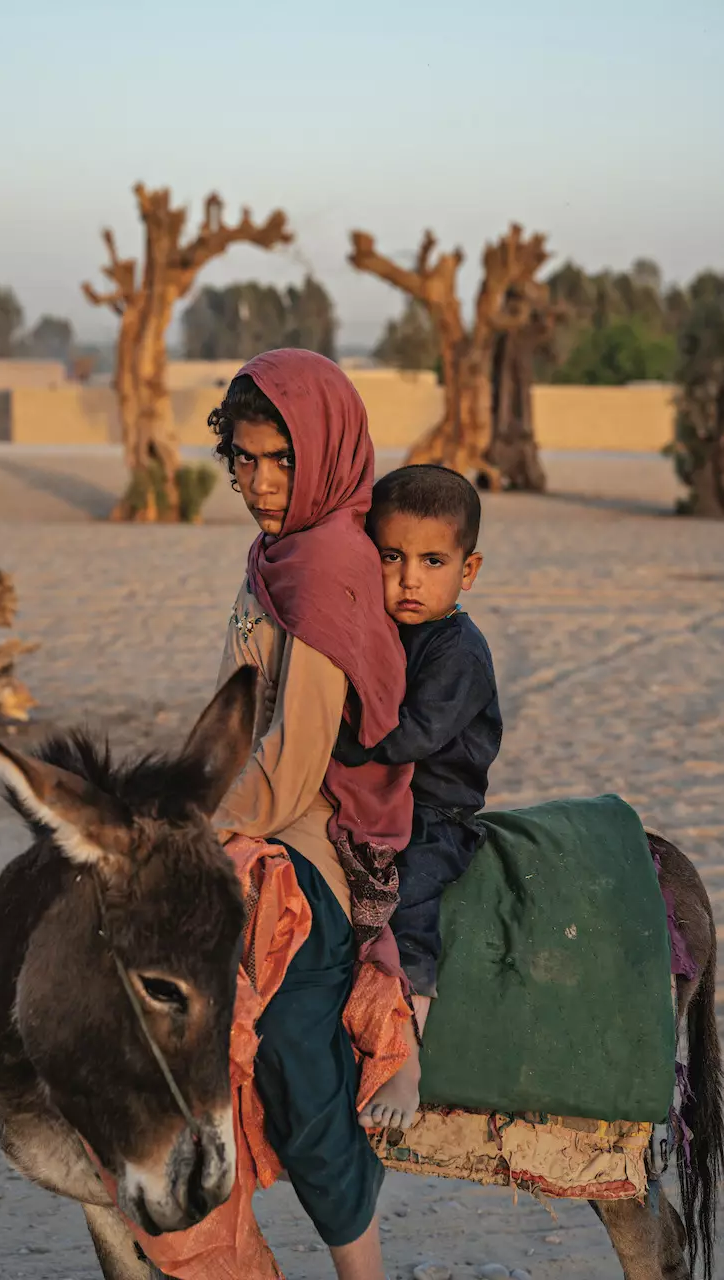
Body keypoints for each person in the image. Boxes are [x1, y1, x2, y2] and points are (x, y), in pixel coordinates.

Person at [208, 349, 414, 1280]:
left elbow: (293, 764)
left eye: (279, 460)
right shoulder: (276, 551)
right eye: (244, 459)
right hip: (258, 814)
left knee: (289, 1036)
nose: (258, 482)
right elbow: (234, 713)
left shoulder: (325, 560)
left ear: (324, 451)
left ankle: (360, 1267)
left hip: (317, 839)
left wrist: (200, 828)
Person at [335, 464, 503, 1132]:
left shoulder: (459, 649)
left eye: (432, 561)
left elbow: (414, 735)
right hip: (380, 799)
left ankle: (407, 1060)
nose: (409, 579)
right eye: (391, 558)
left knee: (407, 907)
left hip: (435, 812)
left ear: (468, 570)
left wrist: (337, 744)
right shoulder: (385, 632)